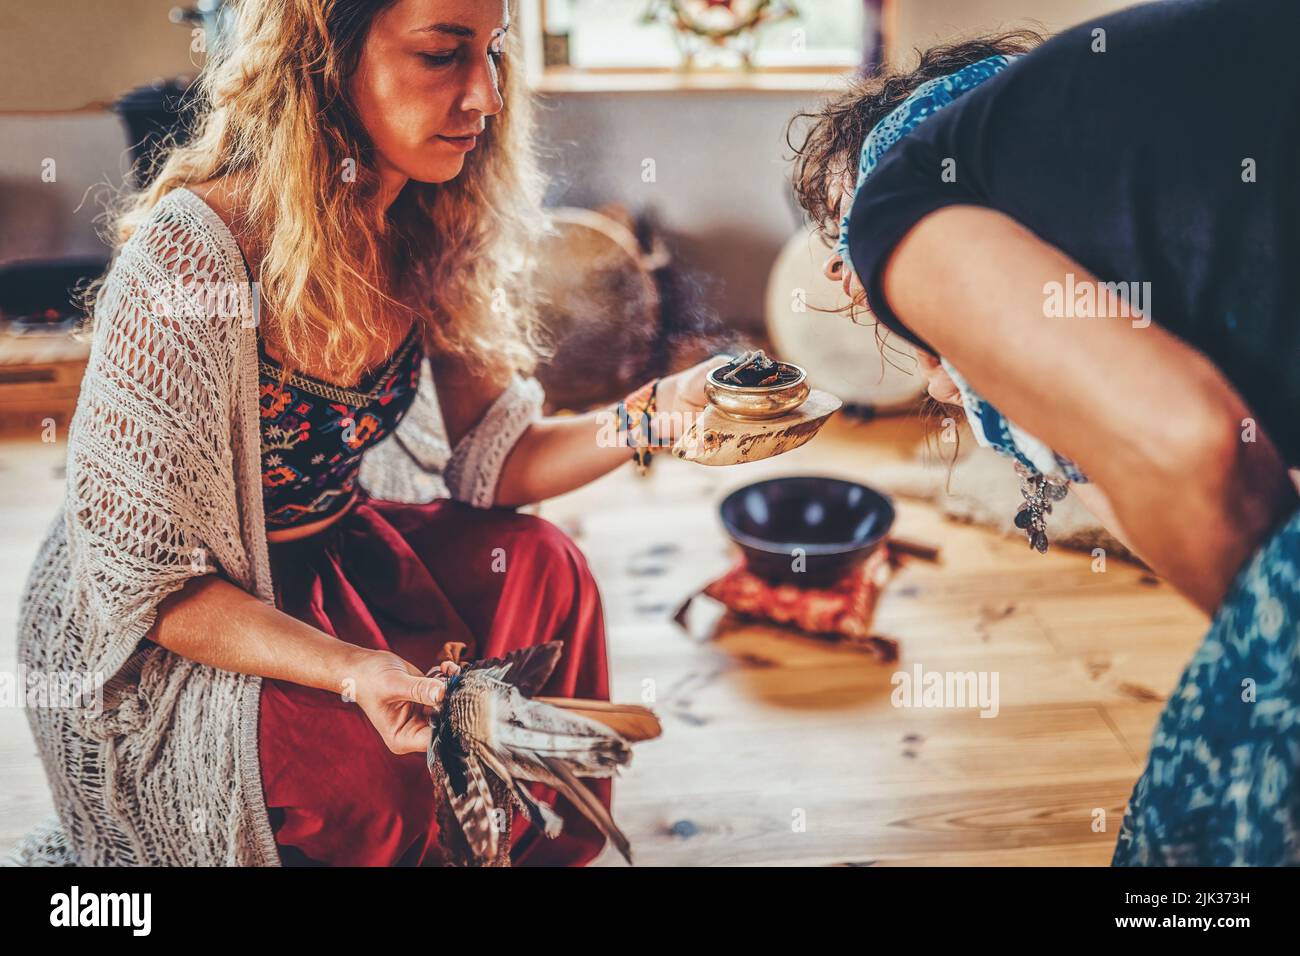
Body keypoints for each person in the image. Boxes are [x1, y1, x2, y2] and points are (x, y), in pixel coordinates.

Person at [13, 0, 711, 866]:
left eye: (493, 54)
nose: (486, 96)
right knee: (381, 783)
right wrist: (352, 670)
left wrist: (662, 413)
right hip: (190, 627)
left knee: (548, 568)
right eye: (441, 55)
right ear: (323, 60)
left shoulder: (426, 223)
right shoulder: (194, 256)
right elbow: (151, 588)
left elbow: (495, 463)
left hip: (331, 553)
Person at [790, 0, 1300, 864]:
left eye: (838, 245)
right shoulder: (1107, 137)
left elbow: (1200, 455)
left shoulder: (894, 200)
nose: (843, 278)